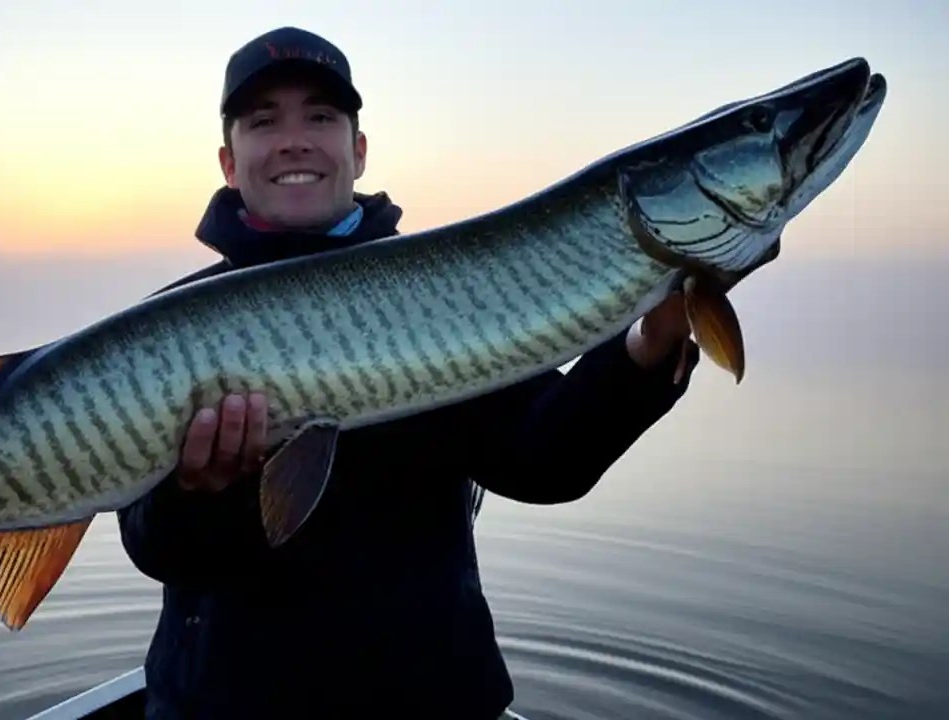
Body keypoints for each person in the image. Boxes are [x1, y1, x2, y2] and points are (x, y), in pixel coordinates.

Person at [116, 26, 701, 720]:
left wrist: (644, 351)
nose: (295, 139)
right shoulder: (170, 327)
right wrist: (200, 491)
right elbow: (153, 542)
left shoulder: (442, 294)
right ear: (229, 160)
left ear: (358, 151)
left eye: (322, 117)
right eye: (263, 120)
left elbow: (545, 460)